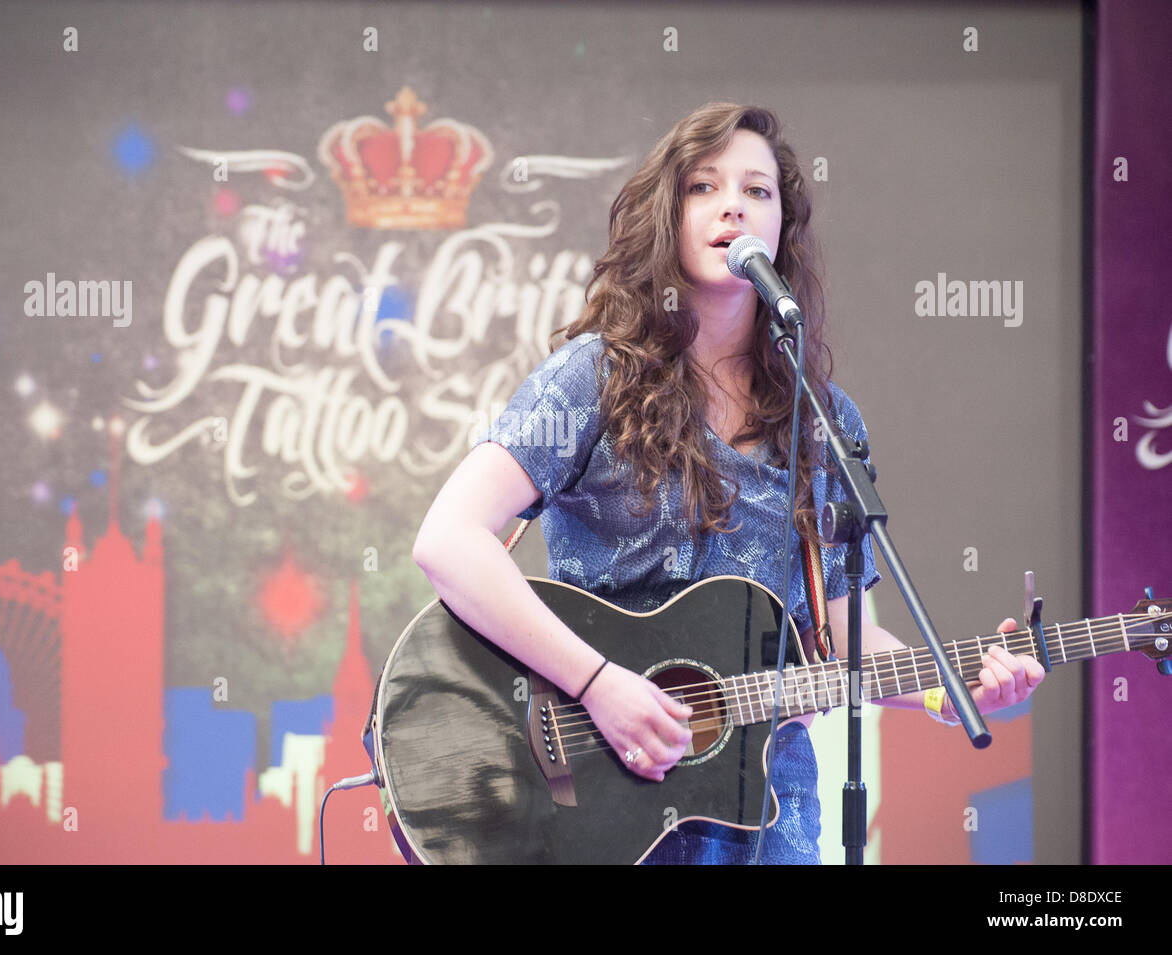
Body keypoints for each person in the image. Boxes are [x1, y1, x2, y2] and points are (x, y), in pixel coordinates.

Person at [411, 102, 1045, 864]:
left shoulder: (823, 419)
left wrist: (953, 687)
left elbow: (846, 638)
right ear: (666, 216)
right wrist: (601, 683)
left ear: (782, 228)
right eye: (704, 187)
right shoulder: (593, 380)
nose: (734, 205)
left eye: (758, 191)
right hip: (601, 811)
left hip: (767, 816)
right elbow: (447, 540)